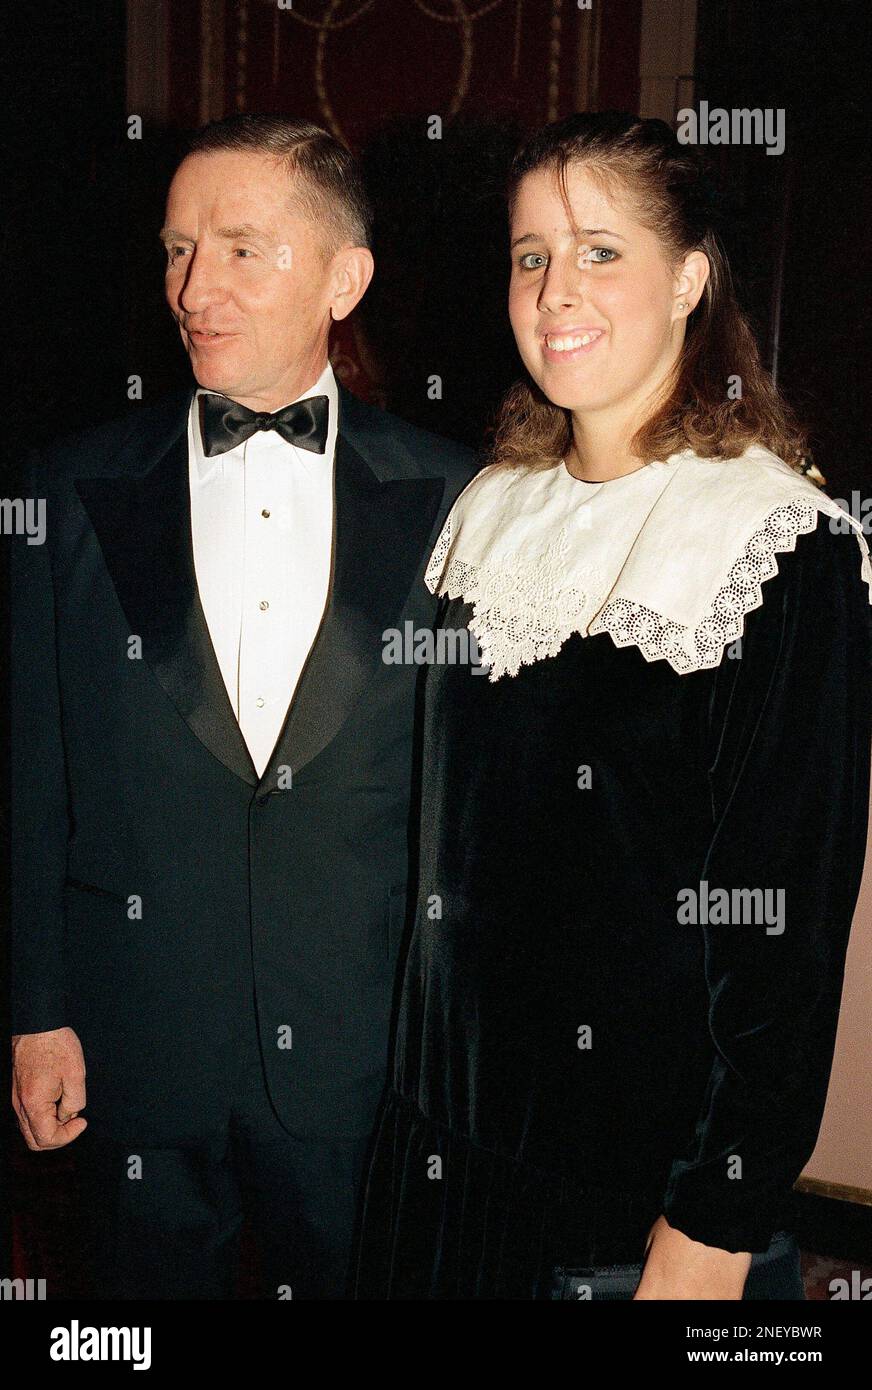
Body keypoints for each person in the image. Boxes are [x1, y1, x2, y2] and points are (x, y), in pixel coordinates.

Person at [353, 112, 872, 1300]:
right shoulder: (487, 507)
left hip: (633, 1196)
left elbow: (784, 925)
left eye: (598, 251)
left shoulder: (771, 543)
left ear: (688, 276)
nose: (552, 290)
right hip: (441, 1159)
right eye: (529, 254)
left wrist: (714, 1216)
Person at [10, 113, 474, 1300]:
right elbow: (29, 772)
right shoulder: (66, 486)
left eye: (239, 249)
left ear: (343, 277)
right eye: (176, 249)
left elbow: (475, 802)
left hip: (365, 1061)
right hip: (133, 1044)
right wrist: (34, 1013)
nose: (192, 288)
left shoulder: (458, 497)